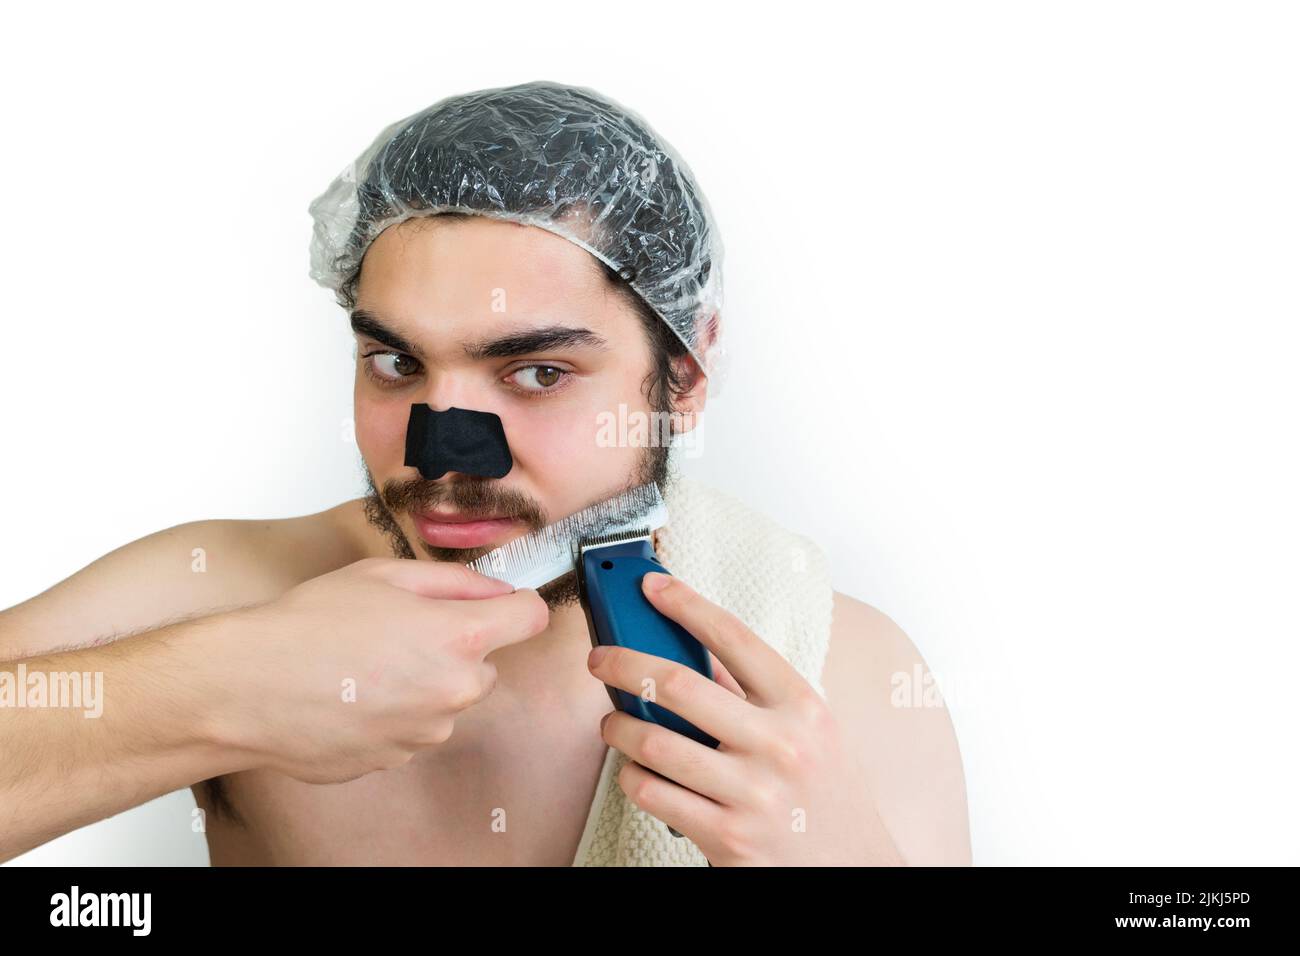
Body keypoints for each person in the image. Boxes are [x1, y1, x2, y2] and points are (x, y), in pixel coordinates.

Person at [0, 81, 970, 866]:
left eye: (537, 371)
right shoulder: (226, 595)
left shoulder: (834, 669)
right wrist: (218, 687)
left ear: (684, 372)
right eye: (397, 363)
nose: (442, 454)